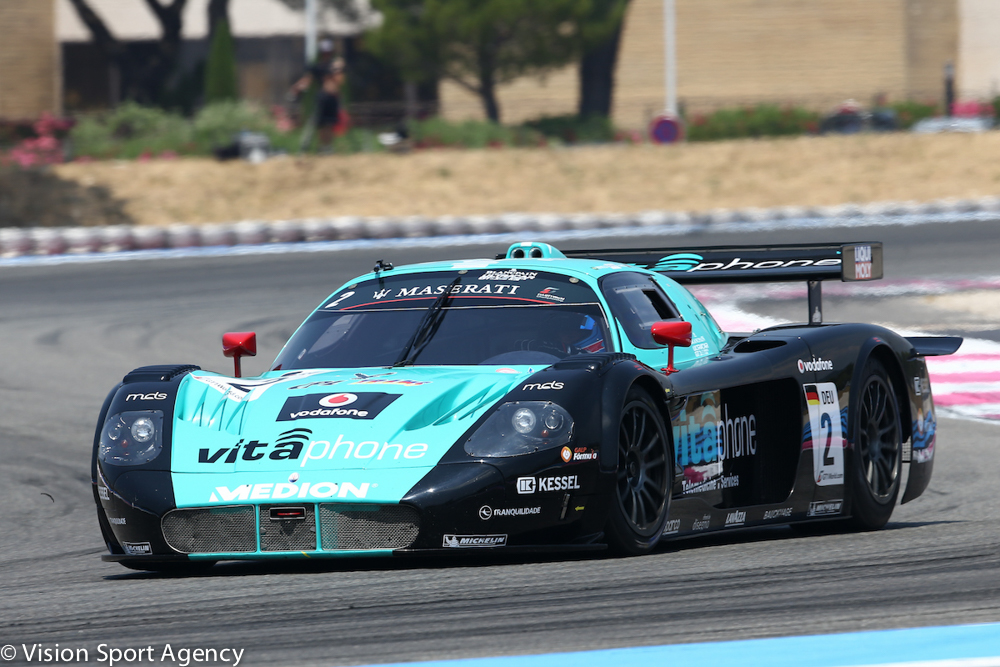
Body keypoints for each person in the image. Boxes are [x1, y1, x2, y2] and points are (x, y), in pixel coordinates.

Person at [289, 39, 346, 153]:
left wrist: (337, 68)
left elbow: (340, 80)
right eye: (324, 52)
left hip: (332, 97)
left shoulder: (335, 65)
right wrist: (297, 88)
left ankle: (328, 147)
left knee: (330, 124)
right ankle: (322, 147)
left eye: (328, 51)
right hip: (323, 97)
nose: (326, 54)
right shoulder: (318, 67)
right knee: (321, 124)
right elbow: (307, 79)